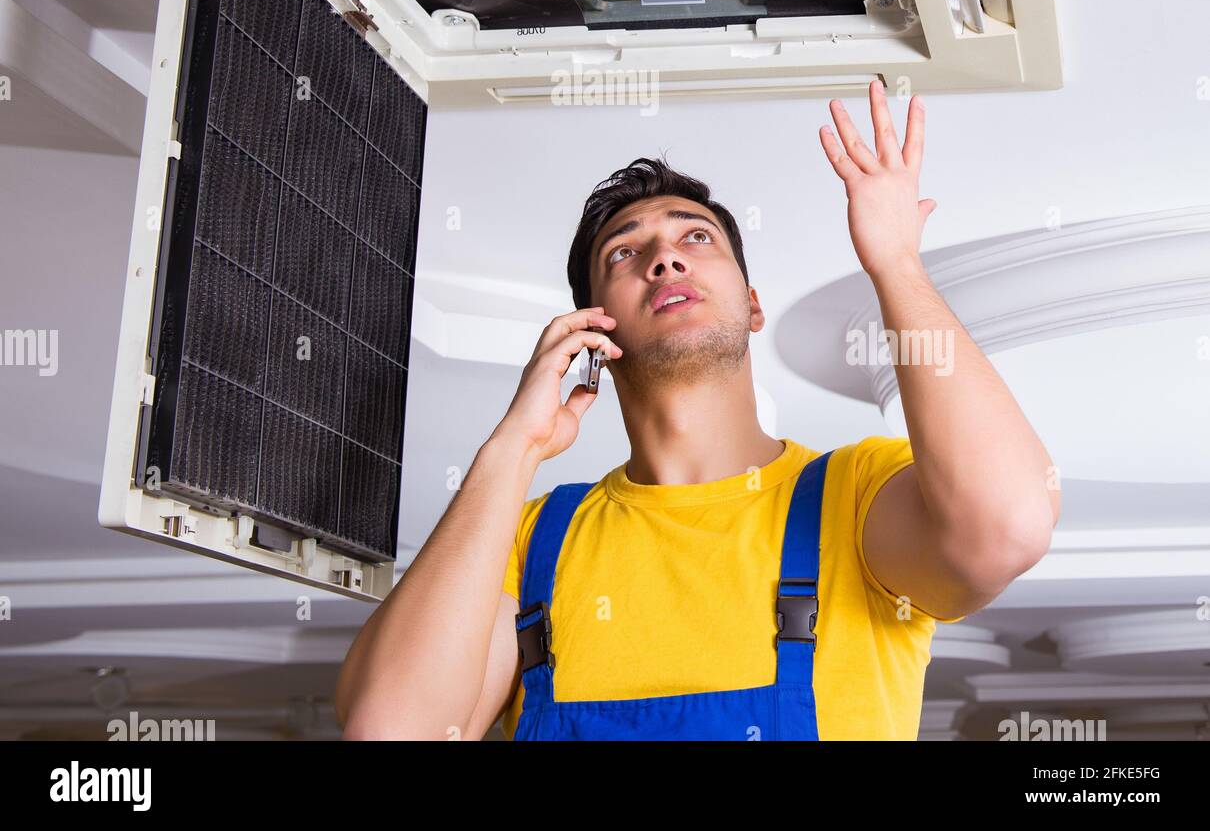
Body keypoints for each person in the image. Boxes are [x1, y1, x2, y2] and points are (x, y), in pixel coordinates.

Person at [336, 80, 1059, 740]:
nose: (665, 259)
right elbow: (389, 729)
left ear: (751, 306)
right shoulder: (534, 544)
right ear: (596, 329)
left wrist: (897, 264)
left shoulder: (855, 498)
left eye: (696, 237)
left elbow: (1008, 526)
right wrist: (510, 451)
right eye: (625, 253)